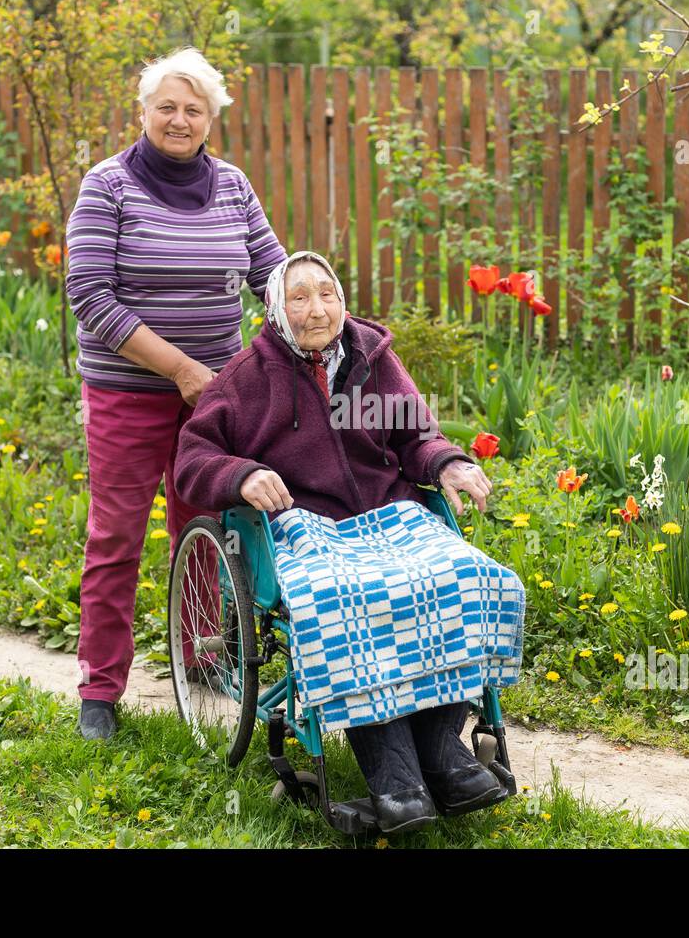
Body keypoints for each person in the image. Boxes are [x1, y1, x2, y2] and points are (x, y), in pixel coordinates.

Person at [174, 250, 508, 834]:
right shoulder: (247, 378)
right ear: (277, 307)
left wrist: (448, 462)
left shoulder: (373, 358)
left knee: (472, 578)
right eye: (299, 297)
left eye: (326, 294)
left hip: (393, 517)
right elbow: (194, 458)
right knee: (344, 599)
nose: (316, 308)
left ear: (342, 300)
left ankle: (441, 750)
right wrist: (242, 475)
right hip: (307, 527)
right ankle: (395, 776)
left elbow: (417, 438)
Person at [65, 46, 287, 740]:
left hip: (213, 400)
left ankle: (198, 666)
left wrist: (313, 316)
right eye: (167, 105)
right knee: (115, 539)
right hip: (128, 396)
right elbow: (90, 296)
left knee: (206, 531)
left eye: (195, 109)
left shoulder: (232, 187)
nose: (180, 119)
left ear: (213, 119)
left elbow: (271, 273)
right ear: (143, 112)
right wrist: (182, 370)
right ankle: (100, 692)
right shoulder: (108, 186)